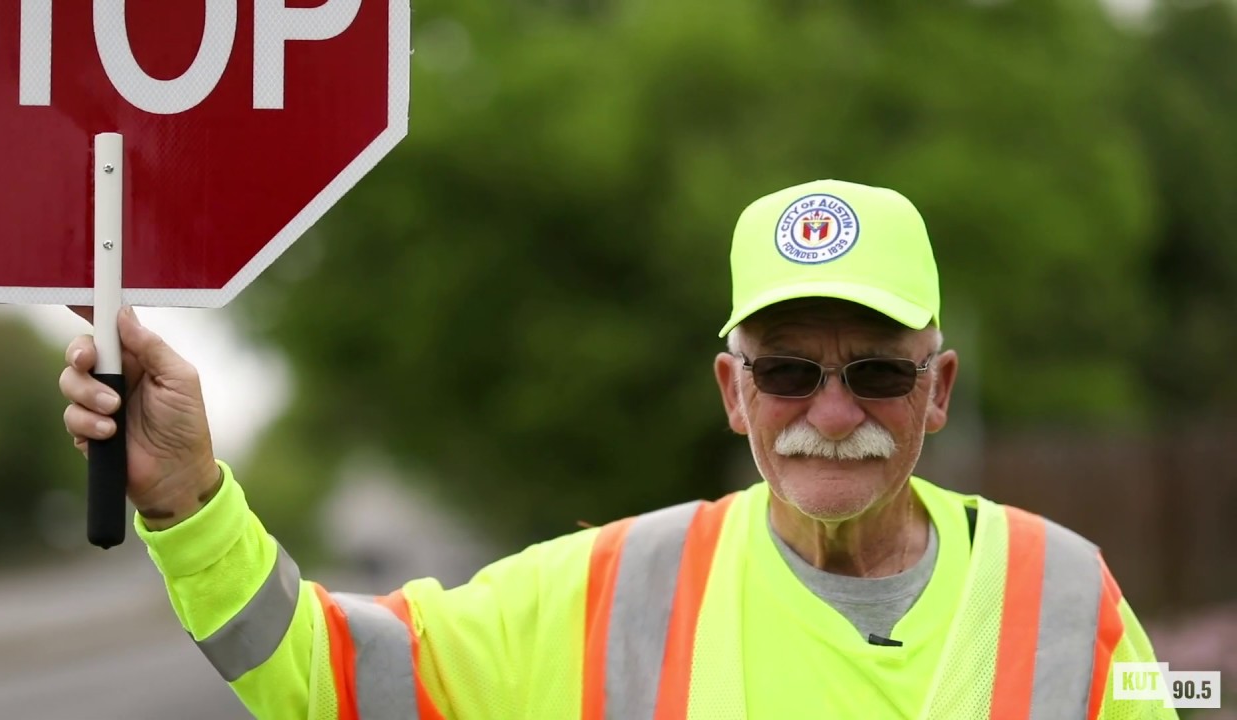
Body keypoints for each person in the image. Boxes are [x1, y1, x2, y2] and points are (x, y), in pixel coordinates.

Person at [59, 179, 1175, 719]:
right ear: (731, 391)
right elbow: (327, 674)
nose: (830, 416)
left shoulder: (1066, 595)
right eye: (786, 370)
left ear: (936, 391)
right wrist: (193, 501)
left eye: (876, 371)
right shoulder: (612, 591)